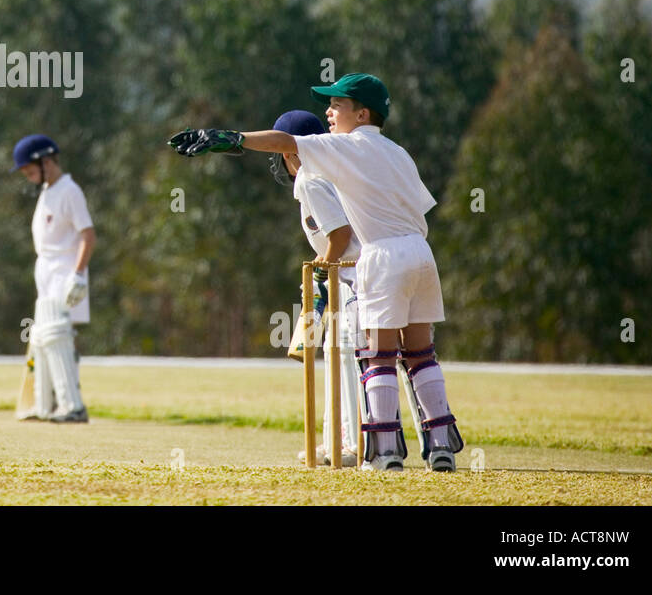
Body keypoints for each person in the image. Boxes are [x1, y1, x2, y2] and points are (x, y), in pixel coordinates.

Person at [169, 73, 463, 471]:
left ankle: (386, 454)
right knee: (421, 354)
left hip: (378, 258)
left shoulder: (345, 146)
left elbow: (284, 143)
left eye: (336, 105)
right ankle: (441, 446)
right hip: (421, 253)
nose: (328, 111)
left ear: (361, 114)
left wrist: (229, 138)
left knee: (378, 356)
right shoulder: (398, 152)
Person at [269, 110, 362, 467]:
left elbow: (340, 235)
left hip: (353, 279)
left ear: (293, 152)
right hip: (342, 278)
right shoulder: (329, 173)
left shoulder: (311, 178)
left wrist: (323, 267)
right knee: (333, 354)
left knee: (348, 357)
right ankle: (335, 441)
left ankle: (355, 444)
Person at [12, 134, 95, 423]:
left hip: (65, 270)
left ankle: (73, 407)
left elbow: (88, 235)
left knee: (58, 337)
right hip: (46, 271)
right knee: (42, 337)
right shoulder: (48, 191)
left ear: (47, 161)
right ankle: (45, 405)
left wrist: (78, 274)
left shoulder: (69, 190)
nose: (28, 177)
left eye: (30, 170)